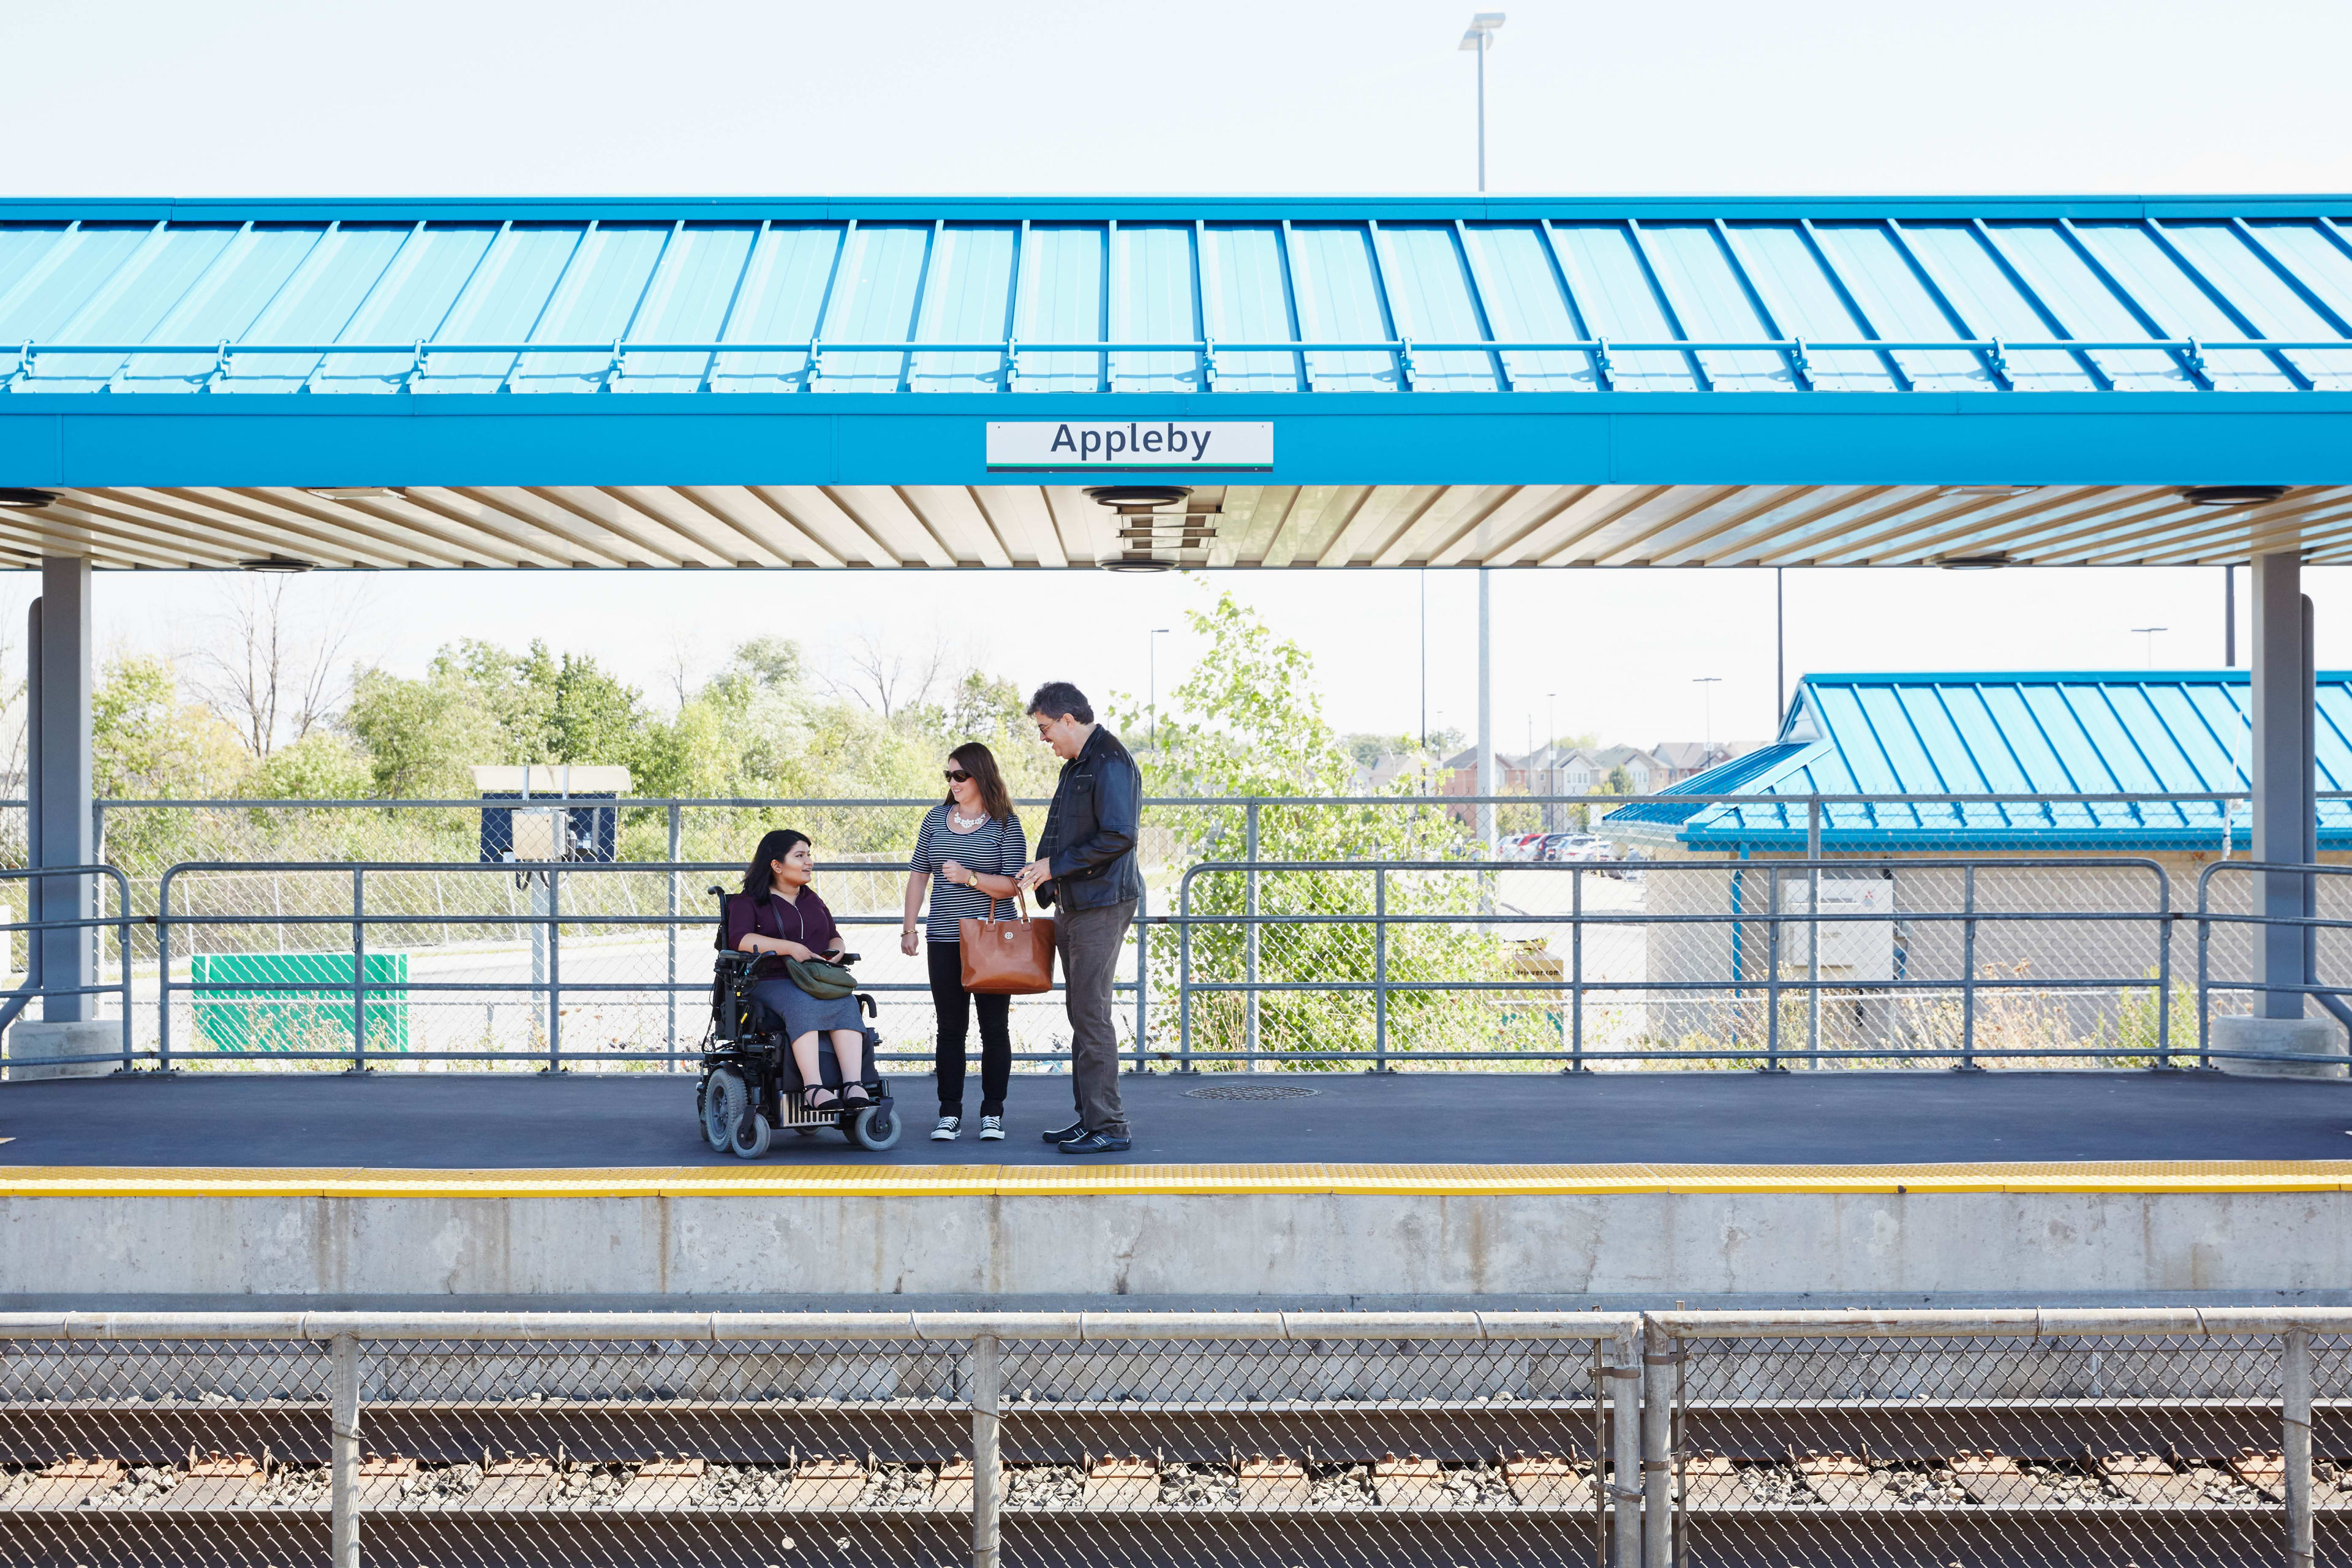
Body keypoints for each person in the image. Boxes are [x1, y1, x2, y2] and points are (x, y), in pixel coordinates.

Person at [1015, 680, 1141, 1155]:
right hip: (1075, 901)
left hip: (1101, 903)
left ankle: (1110, 1126)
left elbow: (1119, 836)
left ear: (1069, 720)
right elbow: (1057, 829)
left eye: (1046, 730)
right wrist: (1042, 875)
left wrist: (1054, 867)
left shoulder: (1110, 761)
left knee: (1091, 1014)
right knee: (1082, 1013)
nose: (1045, 739)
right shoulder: (1078, 763)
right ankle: (1090, 1119)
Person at [901, 742, 1028, 1142]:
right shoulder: (935, 819)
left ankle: (993, 1113)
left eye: (960, 775)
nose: (953, 782)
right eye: (948, 775)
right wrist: (909, 928)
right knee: (950, 1029)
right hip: (944, 937)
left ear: (980, 777)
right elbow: (919, 875)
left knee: (994, 1029)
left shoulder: (1006, 824)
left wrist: (969, 878)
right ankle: (949, 1113)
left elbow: (1012, 885)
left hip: (993, 940)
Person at [722, 829, 870, 1112]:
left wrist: (835, 953)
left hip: (815, 976)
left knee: (846, 1001)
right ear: (777, 865)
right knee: (803, 1004)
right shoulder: (749, 902)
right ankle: (814, 1088)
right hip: (770, 980)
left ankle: (853, 1085)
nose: (808, 862)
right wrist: (789, 948)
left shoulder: (811, 900)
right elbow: (740, 939)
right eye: (799, 856)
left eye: (809, 855)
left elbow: (834, 936)